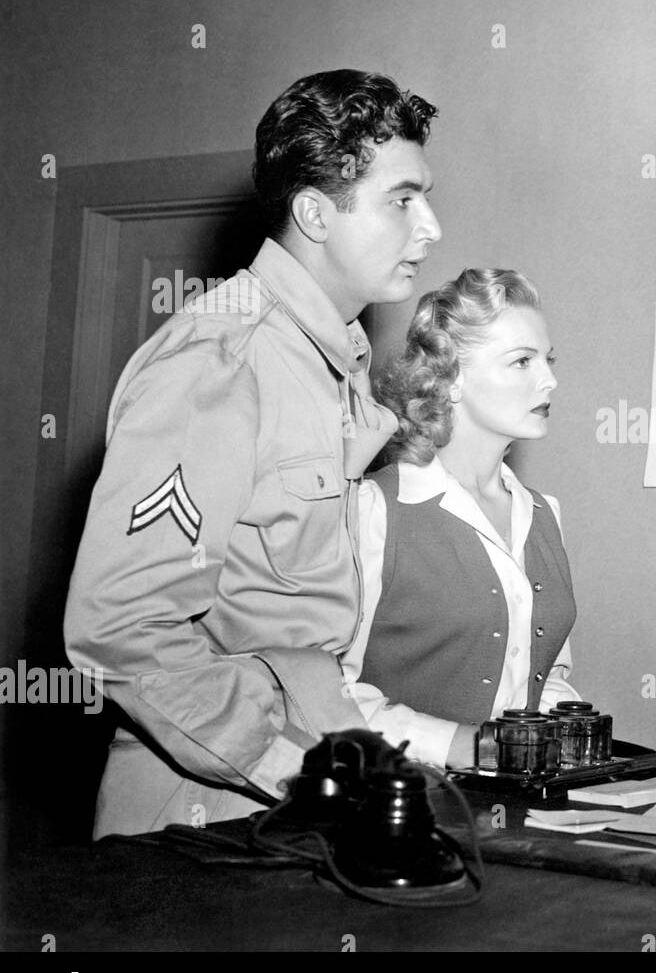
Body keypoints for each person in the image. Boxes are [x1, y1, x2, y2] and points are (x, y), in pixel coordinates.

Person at [64, 69, 441, 837]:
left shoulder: (326, 361)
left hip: (299, 789)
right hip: (205, 816)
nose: (429, 227)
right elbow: (122, 628)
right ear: (314, 213)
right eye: (402, 200)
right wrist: (299, 772)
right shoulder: (222, 357)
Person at [341, 269, 581, 770]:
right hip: (398, 808)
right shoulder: (374, 510)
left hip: (520, 811)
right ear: (450, 380)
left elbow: (545, 672)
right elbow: (325, 693)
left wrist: (568, 736)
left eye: (548, 360)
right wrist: (468, 748)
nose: (549, 379)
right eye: (522, 361)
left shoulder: (543, 514)